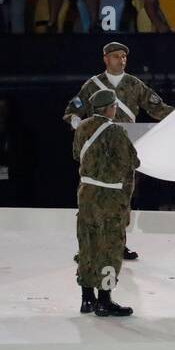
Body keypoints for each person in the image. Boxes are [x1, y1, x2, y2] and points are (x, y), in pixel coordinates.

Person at [63, 42, 175, 259]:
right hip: (98, 149)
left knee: (122, 198)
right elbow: (72, 111)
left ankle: (118, 244)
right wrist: (79, 126)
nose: (121, 60)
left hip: (123, 148)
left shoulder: (134, 84)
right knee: (92, 198)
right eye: (116, 56)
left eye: (124, 56)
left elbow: (157, 108)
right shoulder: (93, 85)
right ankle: (88, 247)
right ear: (106, 59)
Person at [74, 88, 139, 317]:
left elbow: (76, 155)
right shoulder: (115, 131)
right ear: (111, 108)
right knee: (109, 247)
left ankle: (86, 299)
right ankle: (104, 299)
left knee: (87, 244)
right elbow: (131, 160)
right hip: (109, 196)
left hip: (86, 193)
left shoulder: (81, 128)